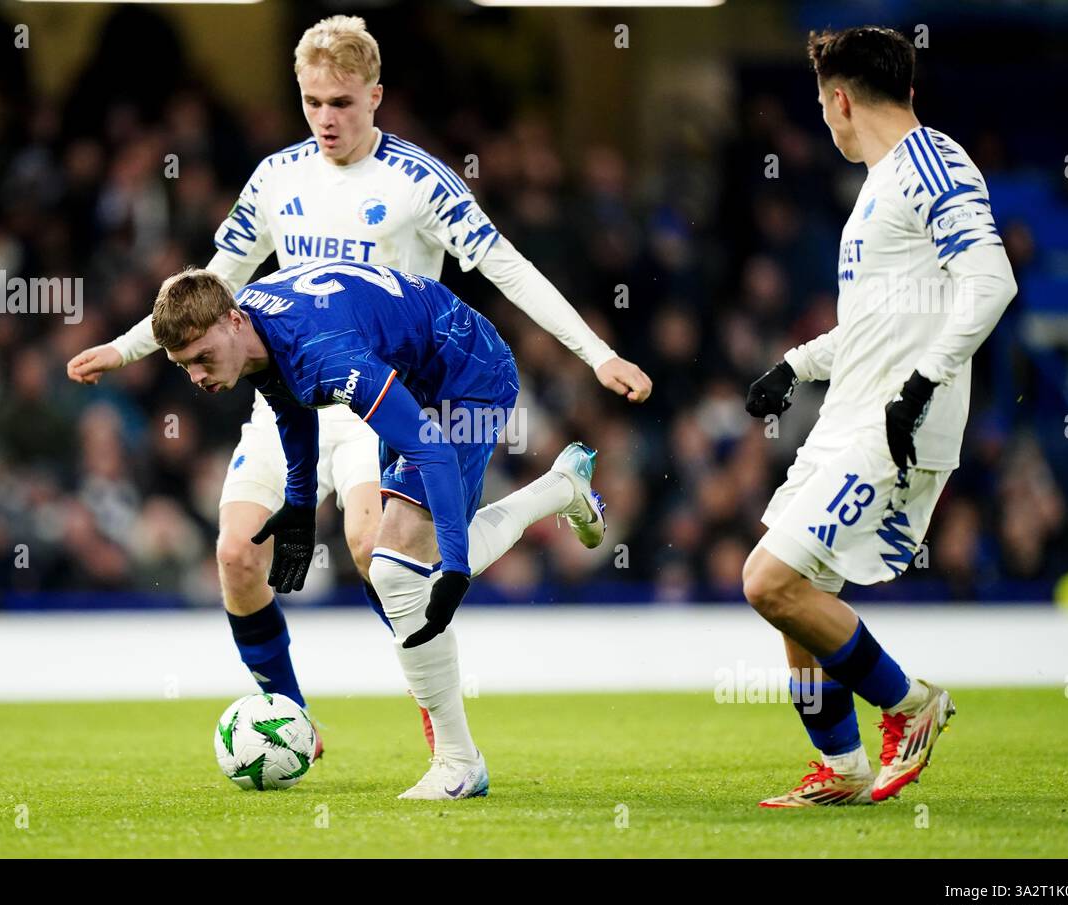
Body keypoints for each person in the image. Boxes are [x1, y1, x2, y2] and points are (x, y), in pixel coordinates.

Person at [65, 16, 650, 748]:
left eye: (341, 102)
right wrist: (125, 347)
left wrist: (596, 353)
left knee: (380, 553)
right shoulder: (277, 178)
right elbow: (213, 289)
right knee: (237, 555)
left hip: (381, 398)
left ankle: (439, 721)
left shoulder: (418, 182)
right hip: (296, 391)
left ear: (376, 95)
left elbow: (506, 265)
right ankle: (291, 721)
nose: (325, 119)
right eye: (312, 102)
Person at [152, 260, 608, 799]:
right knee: (405, 562)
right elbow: (289, 403)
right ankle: (561, 488)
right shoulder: (257, 327)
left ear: (232, 320)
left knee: (397, 568)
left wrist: (458, 571)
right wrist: (299, 506)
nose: (198, 377)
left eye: (202, 358)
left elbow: (431, 449)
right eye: (184, 367)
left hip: (472, 377)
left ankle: (459, 763)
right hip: (418, 373)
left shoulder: (324, 351)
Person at [741, 26, 1017, 806]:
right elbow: (877, 326)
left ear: (838, 101)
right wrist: (794, 365)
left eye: (822, 107)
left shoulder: (932, 163)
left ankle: (913, 705)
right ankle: (843, 768)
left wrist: (922, 383)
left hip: (894, 425)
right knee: (793, 592)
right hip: (850, 418)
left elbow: (991, 281)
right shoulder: (882, 181)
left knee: (768, 581)